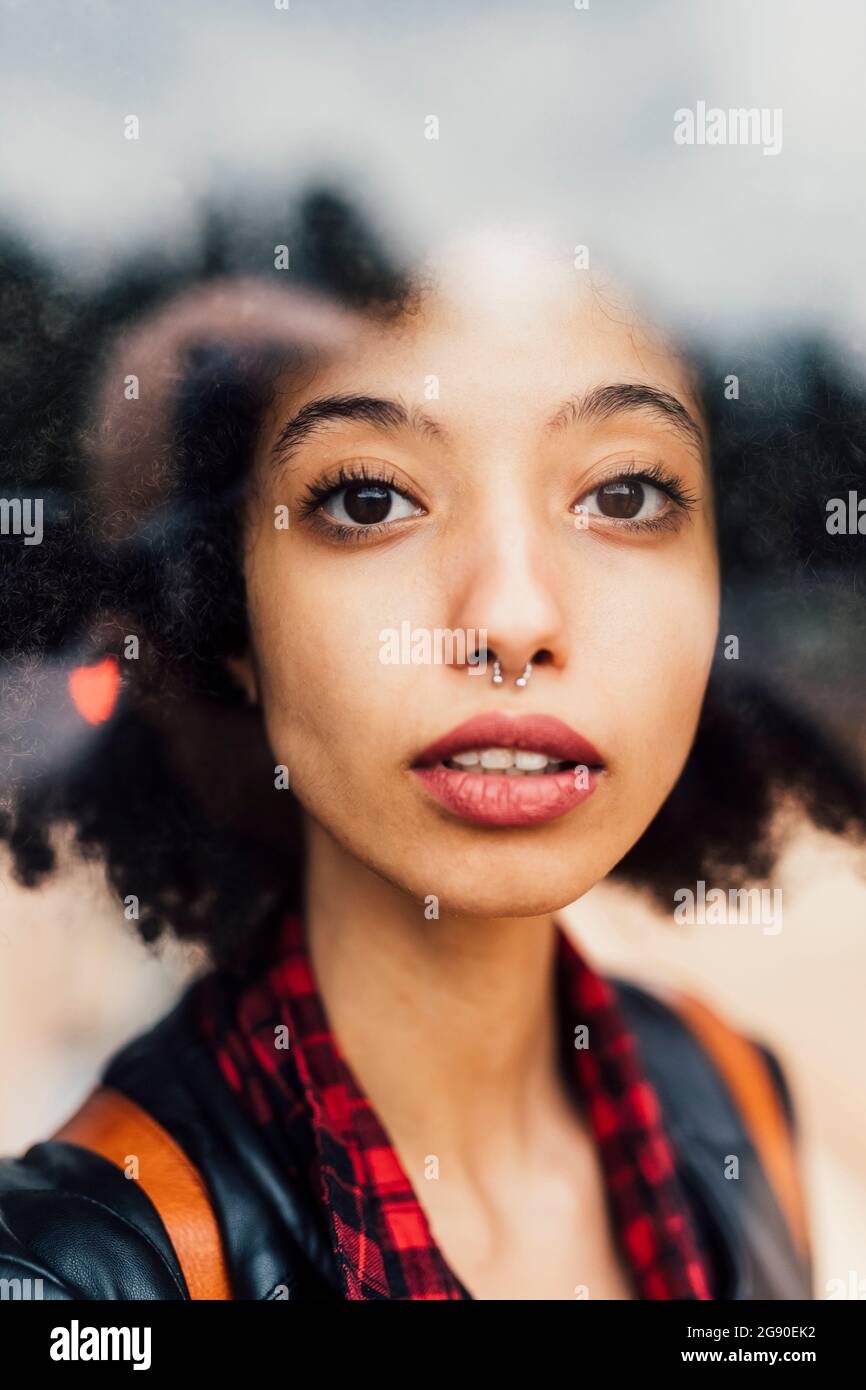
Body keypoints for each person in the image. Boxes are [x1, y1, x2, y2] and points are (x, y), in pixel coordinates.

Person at [0, 194, 863, 1300]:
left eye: (625, 492)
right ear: (228, 615)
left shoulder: (739, 1101)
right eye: (366, 497)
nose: (510, 616)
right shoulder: (79, 1277)